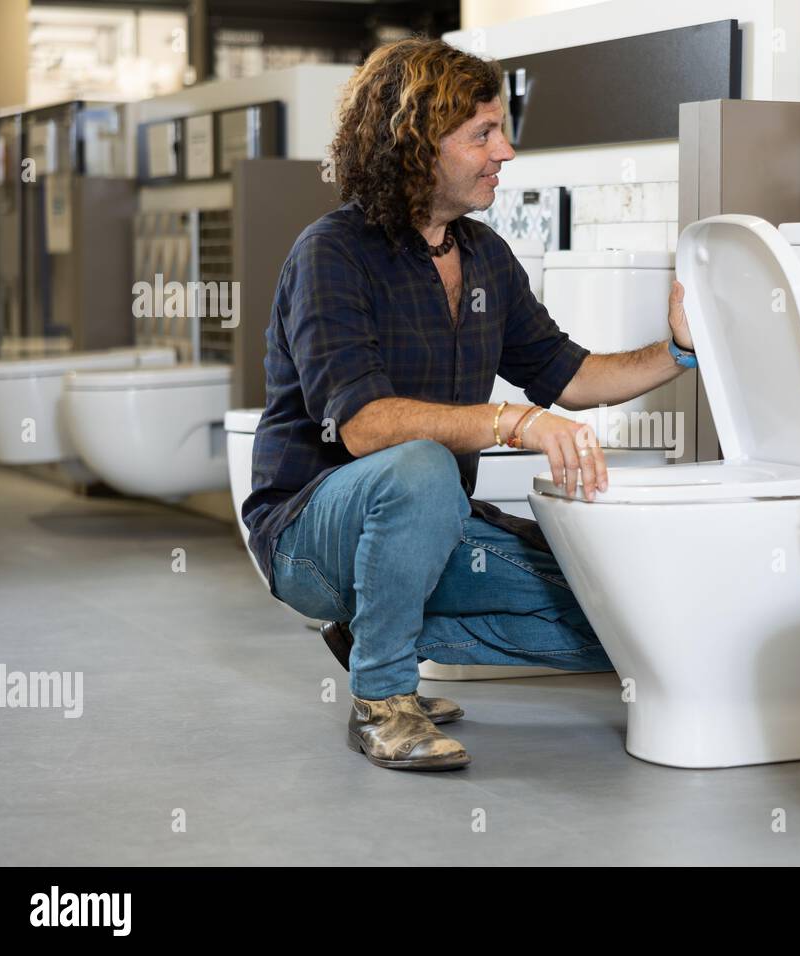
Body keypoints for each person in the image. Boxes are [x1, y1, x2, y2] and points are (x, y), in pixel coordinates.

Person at [241, 37, 697, 771]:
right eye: (482, 133)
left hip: (430, 526)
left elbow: (569, 374)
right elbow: (362, 427)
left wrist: (678, 351)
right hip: (309, 532)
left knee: (623, 607)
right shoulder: (333, 253)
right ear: (415, 143)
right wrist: (514, 422)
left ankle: (373, 630)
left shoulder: (483, 255)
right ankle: (385, 700)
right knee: (418, 464)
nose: (506, 151)